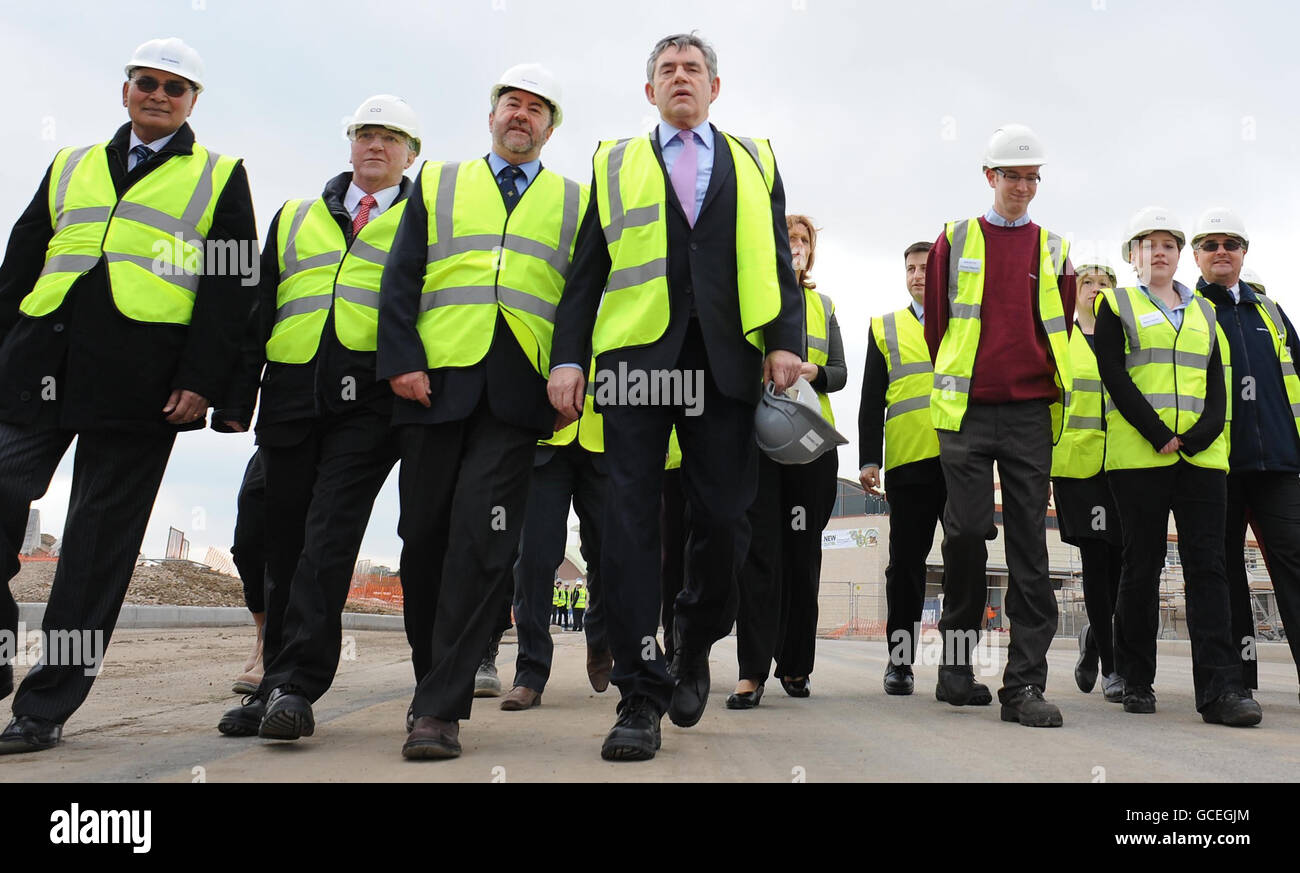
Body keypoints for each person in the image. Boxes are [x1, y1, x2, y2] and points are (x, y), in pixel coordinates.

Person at [548, 32, 804, 761]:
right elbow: (586, 271)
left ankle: (693, 639)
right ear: (650, 91)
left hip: (724, 361)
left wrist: (786, 338)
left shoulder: (754, 158)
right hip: (636, 361)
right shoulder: (615, 161)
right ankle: (638, 691)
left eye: (693, 69)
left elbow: (779, 265)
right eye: (668, 70)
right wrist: (569, 357)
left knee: (724, 518)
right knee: (628, 523)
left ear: (715, 88)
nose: (681, 78)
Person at [0, 37, 256, 753]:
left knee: (94, 552)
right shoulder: (71, 164)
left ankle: (45, 706)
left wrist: (205, 383)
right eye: (147, 82)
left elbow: (232, 289)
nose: (159, 95)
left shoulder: (220, 175)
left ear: (192, 102)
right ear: (125, 90)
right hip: (36, 360)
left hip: (142, 385)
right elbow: (19, 261)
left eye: (176, 88)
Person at [379, 64, 587, 760]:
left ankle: (439, 709)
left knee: (483, 539)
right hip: (433, 385)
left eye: (536, 109)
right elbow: (402, 273)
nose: (521, 115)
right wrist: (401, 356)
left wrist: (567, 368)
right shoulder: (436, 180)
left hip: (517, 393)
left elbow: (578, 298)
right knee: (424, 539)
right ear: (491, 115)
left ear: (549, 128)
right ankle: (430, 682)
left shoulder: (573, 200)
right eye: (511, 104)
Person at [216, 95, 420, 741]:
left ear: (411, 153)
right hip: (289, 395)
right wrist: (235, 397)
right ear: (349, 142)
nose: (376, 146)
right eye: (365, 134)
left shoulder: (425, 221)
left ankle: (294, 688)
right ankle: (276, 680)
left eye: (391, 138)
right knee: (276, 544)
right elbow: (259, 307)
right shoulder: (296, 215)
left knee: (327, 541)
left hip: (369, 403)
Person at [924, 124, 1075, 728]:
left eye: (1032, 177)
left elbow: (1057, 327)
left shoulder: (1055, 249)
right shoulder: (953, 240)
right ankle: (956, 669)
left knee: (1030, 553)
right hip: (965, 409)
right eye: (1012, 175)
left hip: (1028, 412)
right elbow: (939, 325)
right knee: (964, 534)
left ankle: (1022, 687)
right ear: (989, 177)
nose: (1022, 186)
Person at [1093, 206, 1261, 726]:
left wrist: (1202, 433)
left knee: (1209, 568)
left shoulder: (1205, 312)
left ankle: (1221, 690)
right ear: (1131, 257)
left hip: (1201, 458)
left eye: (1168, 243)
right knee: (1141, 566)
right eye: (1147, 244)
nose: (1159, 252)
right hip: (1140, 456)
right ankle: (1137, 680)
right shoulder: (1115, 305)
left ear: (1178, 254)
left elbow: (1218, 381)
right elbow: (1114, 376)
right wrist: (1158, 433)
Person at [729, 214, 845, 708]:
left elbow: (839, 373)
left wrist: (812, 370)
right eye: (788, 238)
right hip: (760, 443)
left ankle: (796, 666)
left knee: (803, 556)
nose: (796, 245)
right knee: (760, 556)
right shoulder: (751, 297)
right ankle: (751, 671)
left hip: (811, 446)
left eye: (803, 240)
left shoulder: (823, 305)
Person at [1190, 208, 1300, 695]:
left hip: (1279, 463)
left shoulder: (1270, 312)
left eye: (1230, 244)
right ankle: (1237, 683)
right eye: (1211, 244)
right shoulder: (1188, 311)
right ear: (1196, 255)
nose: (1221, 252)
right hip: (1216, 463)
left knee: (1295, 567)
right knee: (1225, 572)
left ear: (1243, 253)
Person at [859, 241, 949, 698]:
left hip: (961, 461)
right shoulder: (885, 327)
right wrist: (869, 459)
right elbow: (871, 399)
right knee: (906, 567)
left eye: (926, 268)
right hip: (910, 463)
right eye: (912, 268)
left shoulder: (965, 322)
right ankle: (900, 663)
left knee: (964, 562)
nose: (918, 275)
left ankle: (958, 664)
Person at [1051, 262, 1125, 702]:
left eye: (1105, 284)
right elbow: (1049, 406)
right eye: (1087, 283)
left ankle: (1094, 642)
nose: (1096, 290)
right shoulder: (1060, 340)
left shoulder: (1128, 339)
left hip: (1123, 465)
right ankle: (1113, 667)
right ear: (1074, 292)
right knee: (1098, 561)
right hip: (1078, 468)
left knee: (1124, 562)